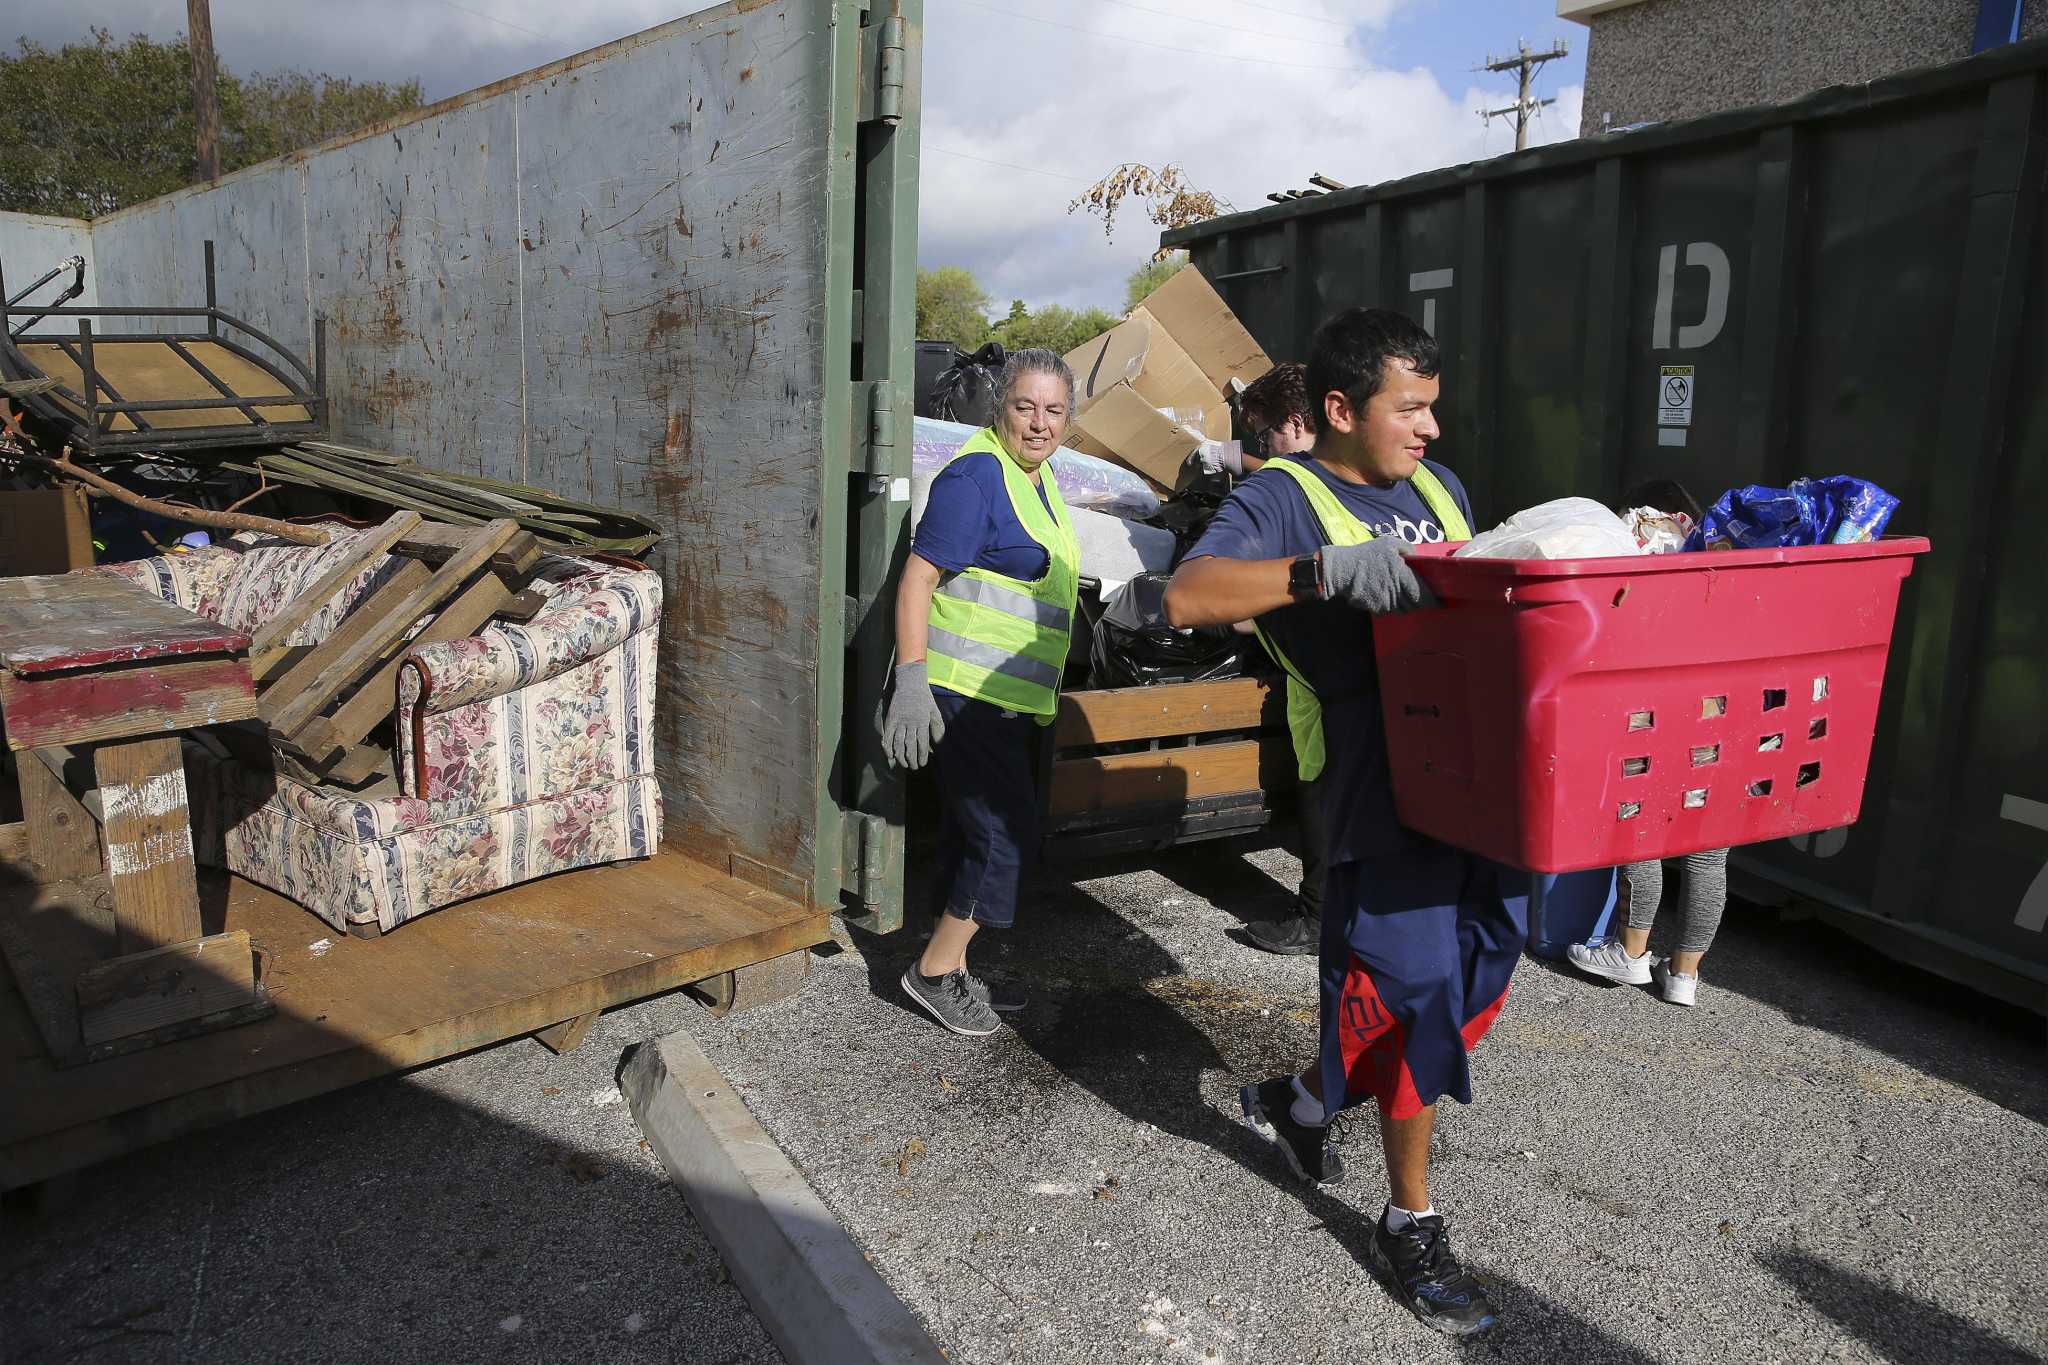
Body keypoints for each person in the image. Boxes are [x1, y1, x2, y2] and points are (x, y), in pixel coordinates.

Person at [1164, 308, 1521, 1338]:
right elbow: (1186, 595)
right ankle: (1409, 1220)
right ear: (1337, 409)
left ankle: (1304, 1100)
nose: (1429, 431)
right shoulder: (1287, 495)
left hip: (1471, 780)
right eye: (1408, 409)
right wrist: (1320, 574)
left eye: (1431, 409)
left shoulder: (1440, 493)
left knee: (1479, 970)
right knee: (1414, 995)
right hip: (1378, 787)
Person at [881, 348, 1081, 1038]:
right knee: (1004, 837)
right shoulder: (978, 475)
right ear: (1001, 405)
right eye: (1025, 406)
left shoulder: (1037, 479)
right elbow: (919, 579)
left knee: (975, 833)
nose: (1038, 422)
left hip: (1010, 700)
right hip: (962, 693)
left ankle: (955, 962)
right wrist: (911, 680)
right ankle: (933, 973)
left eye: (1053, 410)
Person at [1568, 479, 1728, 1008]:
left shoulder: (1633, 568)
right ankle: (1684, 976)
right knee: (1707, 854)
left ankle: (1631, 953)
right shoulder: (1724, 570)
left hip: (1653, 719)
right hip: (1718, 717)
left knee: (1641, 830)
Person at [1224, 363, 1330, 955]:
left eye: (1267, 438)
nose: (1266, 451)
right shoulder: (1350, 479)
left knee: (1320, 788)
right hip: (1345, 665)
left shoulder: (1295, 494)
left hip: (1316, 673)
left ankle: (1316, 917)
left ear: (1295, 424)